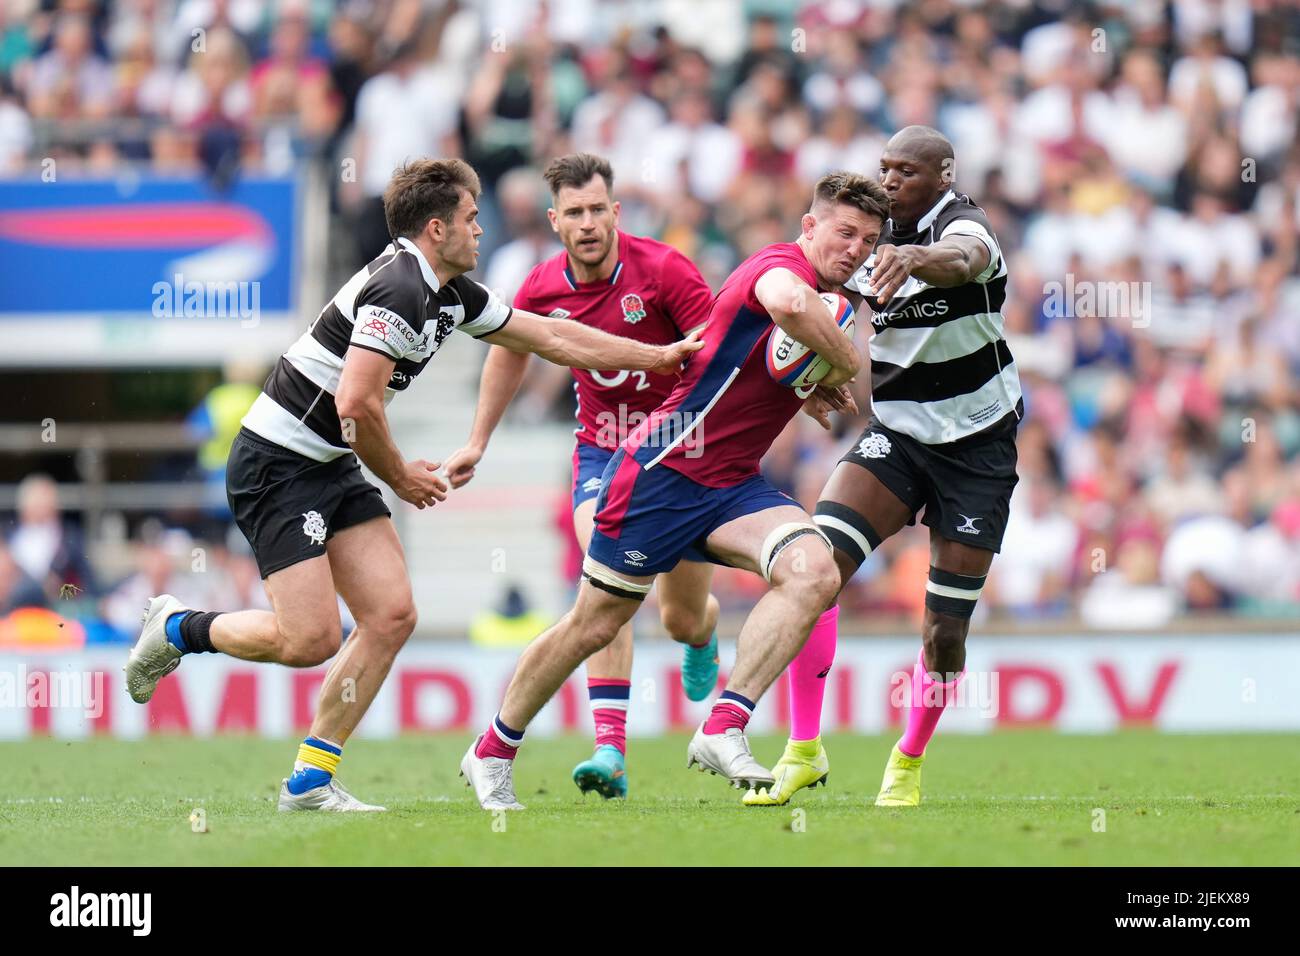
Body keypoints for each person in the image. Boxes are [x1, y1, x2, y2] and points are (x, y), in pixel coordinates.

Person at [124, 158, 702, 812]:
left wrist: (654, 356)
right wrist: (401, 477)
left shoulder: (449, 291)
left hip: (329, 461)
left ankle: (310, 780)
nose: (481, 230)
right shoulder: (401, 288)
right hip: (278, 463)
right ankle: (177, 628)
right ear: (436, 228)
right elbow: (357, 405)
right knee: (308, 640)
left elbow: (549, 335)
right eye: (470, 218)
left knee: (391, 614)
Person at [460, 171, 890, 811]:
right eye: (844, 232)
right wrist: (847, 360)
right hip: (659, 472)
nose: (854, 248)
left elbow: (758, 354)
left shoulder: (823, 295)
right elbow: (789, 305)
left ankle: (725, 726)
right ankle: (492, 750)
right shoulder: (780, 267)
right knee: (594, 623)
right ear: (810, 227)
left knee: (814, 570)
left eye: (868, 240)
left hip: (731, 485)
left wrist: (809, 376)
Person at [744, 126, 1022, 809]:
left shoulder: (965, 226)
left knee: (944, 634)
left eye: (907, 171)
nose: (892, 181)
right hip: (897, 437)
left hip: (978, 449)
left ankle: (907, 759)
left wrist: (916, 258)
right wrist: (811, 373)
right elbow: (803, 303)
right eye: (885, 168)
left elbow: (962, 261)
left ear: (945, 176)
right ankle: (803, 750)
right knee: (813, 571)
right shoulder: (865, 238)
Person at [445, 153, 721, 800]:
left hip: (679, 457)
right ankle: (611, 750)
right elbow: (509, 354)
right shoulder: (541, 288)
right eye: (575, 213)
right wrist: (478, 440)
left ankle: (703, 632)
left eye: (598, 209)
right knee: (608, 589)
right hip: (602, 454)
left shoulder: (666, 271)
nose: (589, 223)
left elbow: (714, 356)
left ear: (616, 212)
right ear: (555, 221)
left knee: (681, 617)